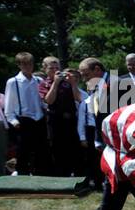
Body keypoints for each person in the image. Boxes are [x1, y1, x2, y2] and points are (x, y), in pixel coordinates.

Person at [3, 52, 50, 176]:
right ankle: (23, 177)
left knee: (41, 150)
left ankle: (41, 176)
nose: (28, 66)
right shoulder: (13, 82)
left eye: (30, 63)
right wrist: (13, 121)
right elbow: (8, 104)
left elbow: (42, 100)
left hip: (39, 119)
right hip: (23, 120)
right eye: (24, 64)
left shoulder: (39, 80)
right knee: (23, 151)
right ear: (19, 65)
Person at [75, 57, 112, 192]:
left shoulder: (117, 82)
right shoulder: (92, 86)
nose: (84, 79)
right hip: (102, 132)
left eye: (86, 74)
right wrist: (98, 138)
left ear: (97, 69)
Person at [40, 57, 82, 177]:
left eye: (57, 68)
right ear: (45, 69)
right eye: (51, 68)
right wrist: (55, 83)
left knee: (73, 147)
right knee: (57, 148)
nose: (55, 70)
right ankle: (60, 175)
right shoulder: (44, 83)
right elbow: (49, 100)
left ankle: (75, 174)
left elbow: (78, 98)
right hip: (55, 120)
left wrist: (73, 83)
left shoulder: (67, 82)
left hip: (71, 120)